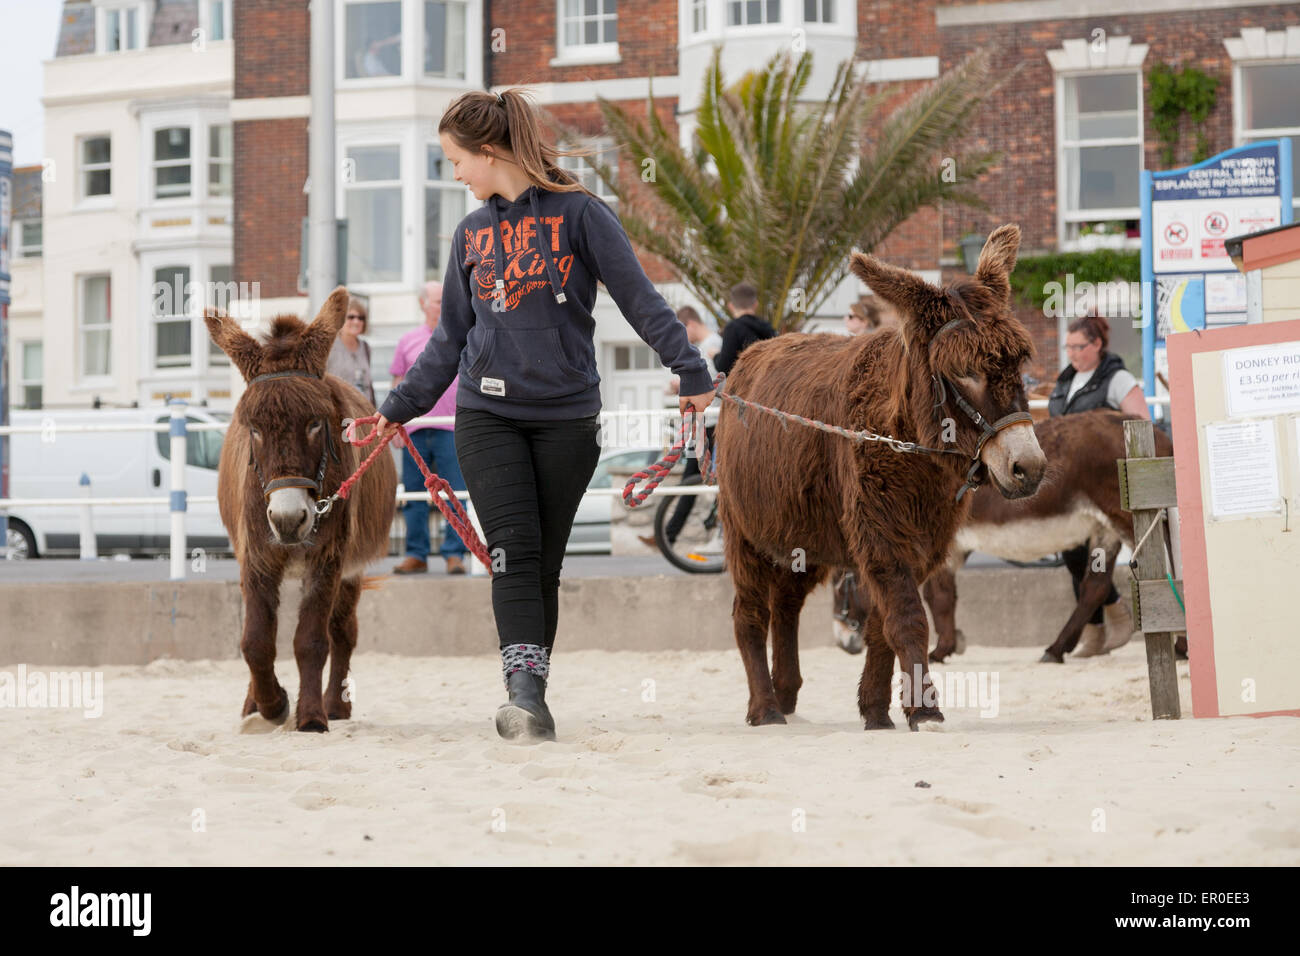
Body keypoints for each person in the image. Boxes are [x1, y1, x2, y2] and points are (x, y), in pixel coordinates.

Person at [373, 88, 716, 741]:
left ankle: (533, 692)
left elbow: (642, 301)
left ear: (491, 149)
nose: (456, 175)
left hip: (566, 419)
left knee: (543, 564)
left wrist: (693, 372)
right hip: (486, 412)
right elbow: (449, 338)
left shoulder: (581, 214)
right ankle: (524, 699)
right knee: (512, 552)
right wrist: (397, 409)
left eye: (456, 160)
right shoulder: (471, 234)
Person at [1048, 311, 1148, 657]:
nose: (1072, 353)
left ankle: (1097, 630)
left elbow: (1141, 424)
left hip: (1105, 485)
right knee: (1073, 554)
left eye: (1078, 346)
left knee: (1097, 558)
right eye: (1068, 347)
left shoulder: (1117, 378)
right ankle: (1110, 611)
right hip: (1071, 485)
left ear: (1097, 345)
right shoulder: (1065, 381)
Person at [390, 281, 470, 576]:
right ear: (423, 304)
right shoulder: (407, 341)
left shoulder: (465, 337)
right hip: (414, 430)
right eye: (437, 301)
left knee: (456, 493)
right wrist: (394, 422)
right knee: (414, 496)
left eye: (444, 300)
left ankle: (455, 554)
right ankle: (417, 554)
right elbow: (397, 383)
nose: (442, 305)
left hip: (452, 428)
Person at [641, 306, 722, 550]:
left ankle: (675, 536)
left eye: (683, 332)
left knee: (705, 479)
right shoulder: (703, 349)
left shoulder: (715, 345)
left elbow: (719, 380)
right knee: (692, 480)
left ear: (691, 325)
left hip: (715, 422)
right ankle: (668, 536)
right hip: (703, 423)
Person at [714, 281, 776, 374]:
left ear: (730, 306)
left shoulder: (732, 328)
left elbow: (724, 367)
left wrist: (715, 356)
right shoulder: (767, 327)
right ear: (756, 304)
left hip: (749, 384)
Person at [326, 297, 376, 406]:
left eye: (361, 318)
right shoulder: (330, 347)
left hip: (364, 412)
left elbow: (368, 385)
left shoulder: (366, 347)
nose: (356, 321)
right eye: (351, 317)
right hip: (340, 413)